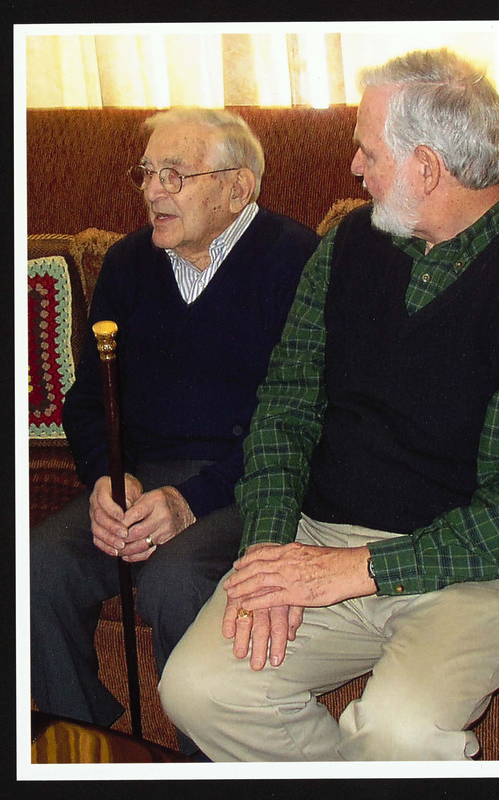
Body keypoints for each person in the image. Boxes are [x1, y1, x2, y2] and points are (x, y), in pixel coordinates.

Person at [159, 49, 499, 761]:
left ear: (426, 168)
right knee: (197, 688)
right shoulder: (345, 248)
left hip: (483, 570)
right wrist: (273, 544)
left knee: (401, 731)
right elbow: (284, 406)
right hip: (323, 534)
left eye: (367, 151)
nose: (353, 169)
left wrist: (360, 571)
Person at [30, 108, 318, 753]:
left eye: (175, 174)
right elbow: (88, 401)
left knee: (174, 578)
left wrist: (194, 500)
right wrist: (106, 475)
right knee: (37, 568)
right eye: (148, 173)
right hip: (142, 474)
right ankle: (89, 747)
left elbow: (305, 423)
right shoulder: (132, 262)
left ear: (238, 187)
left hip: (250, 479)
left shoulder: (297, 262)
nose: (152, 190)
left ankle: (204, 760)